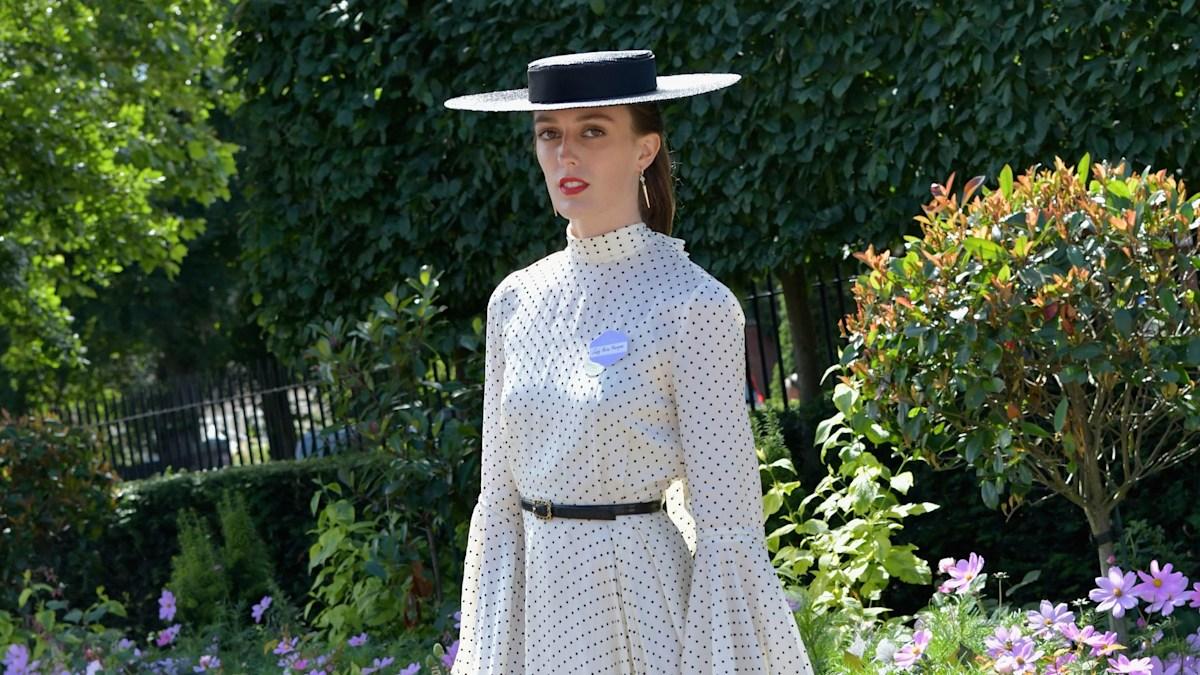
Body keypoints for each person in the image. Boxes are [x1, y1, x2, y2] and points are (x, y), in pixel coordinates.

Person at [443, 50, 815, 675]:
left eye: (593, 131)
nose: (567, 155)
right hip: (540, 607)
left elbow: (728, 525)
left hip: (640, 606)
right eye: (549, 135)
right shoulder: (513, 302)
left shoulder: (694, 305)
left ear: (645, 149)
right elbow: (499, 503)